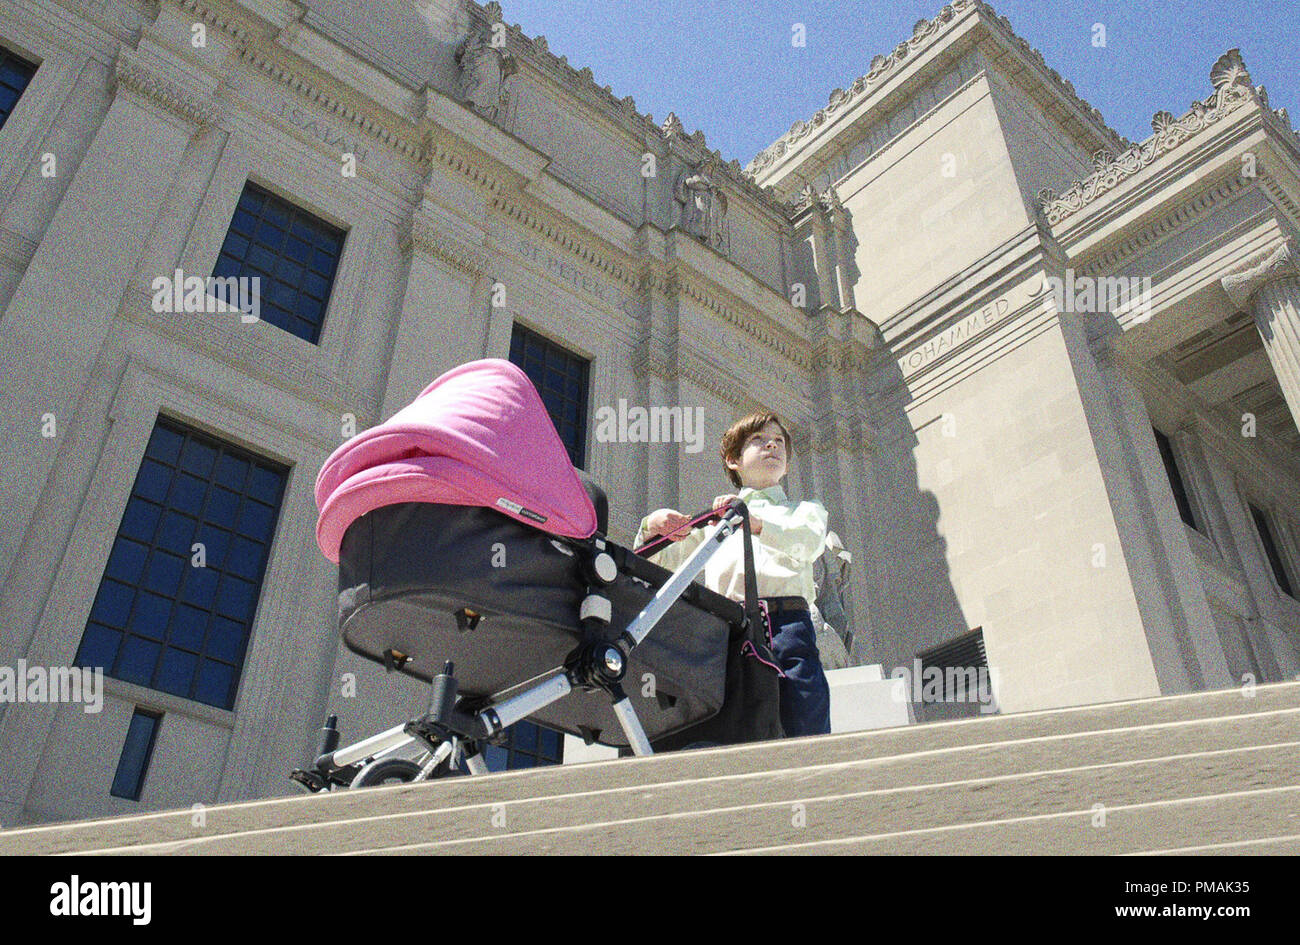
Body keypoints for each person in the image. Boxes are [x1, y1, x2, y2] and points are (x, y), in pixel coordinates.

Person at [634, 412, 832, 737]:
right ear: (733, 460)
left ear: (787, 464)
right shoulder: (715, 521)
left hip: (790, 627)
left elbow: (808, 543)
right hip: (728, 631)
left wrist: (755, 522)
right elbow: (662, 563)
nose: (771, 444)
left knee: (804, 719)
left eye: (779, 441)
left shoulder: (807, 509)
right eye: (758, 440)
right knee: (734, 732)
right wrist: (652, 527)